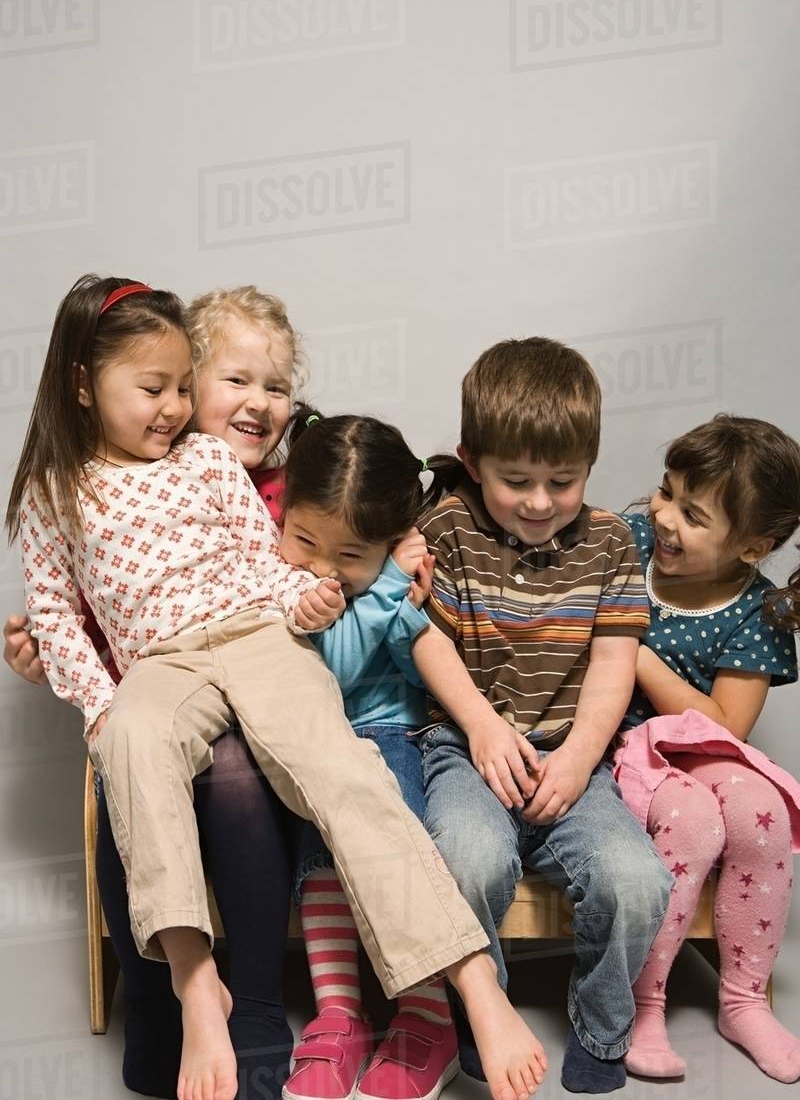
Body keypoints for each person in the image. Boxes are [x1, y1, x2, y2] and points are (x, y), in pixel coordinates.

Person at [6, 274, 547, 1100]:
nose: (174, 409)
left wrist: (308, 599)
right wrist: (98, 699)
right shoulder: (55, 491)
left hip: (256, 633)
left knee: (342, 769)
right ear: (83, 386)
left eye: (184, 388)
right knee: (128, 741)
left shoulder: (208, 460)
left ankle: (472, 979)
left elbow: (264, 560)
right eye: (154, 389)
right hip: (160, 663)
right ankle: (195, 986)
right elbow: (52, 610)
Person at [5, 283, 309, 1099]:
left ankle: (252, 1006)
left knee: (238, 768)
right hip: (150, 694)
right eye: (228, 384)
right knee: (125, 762)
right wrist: (52, 654)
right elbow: (82, 599)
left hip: (253, 694)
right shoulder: (125, 470)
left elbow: (347, 533)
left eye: (276, 389)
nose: (251, 406)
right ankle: (158, 997)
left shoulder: (281, 484)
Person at [410, 336, 674, 1095]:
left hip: (571, 757)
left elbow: (614, 665)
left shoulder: (611, 544)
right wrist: (484, 727)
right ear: (473, 458)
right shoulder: (450, 530)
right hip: (466, 747)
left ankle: (601, 1030)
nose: (538, 502)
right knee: (467, 859)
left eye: (563, 481)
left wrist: (581, 755)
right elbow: (425, 640)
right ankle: (477, 1007)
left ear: (589, 465)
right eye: (515, 480)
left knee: (635, 878)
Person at [611, 415, 800, 1083]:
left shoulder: (759, 612)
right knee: (694, 823)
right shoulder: (624, 543)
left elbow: (725, 727)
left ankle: (743, 998)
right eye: (667, 493)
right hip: (616, 740)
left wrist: (631, 651)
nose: (664, 517)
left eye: (693, 515)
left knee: (762, 812)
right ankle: (644, 1001)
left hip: (699, 747)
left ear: (753, 548)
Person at [277, 408, 456, 1100]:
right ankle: (339, 1013)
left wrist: (393, 597)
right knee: (320, 854)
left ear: (389, 542)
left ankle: (425, 1011)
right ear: (284, 515)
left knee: (396, 848)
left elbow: (415, 676)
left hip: (387, 738)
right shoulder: (282, 580)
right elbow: (335, 671)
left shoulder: (390, 586)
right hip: (311, 742)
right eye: (305, 540)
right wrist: (379, 587)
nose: (323, 568)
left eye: (349, 555)